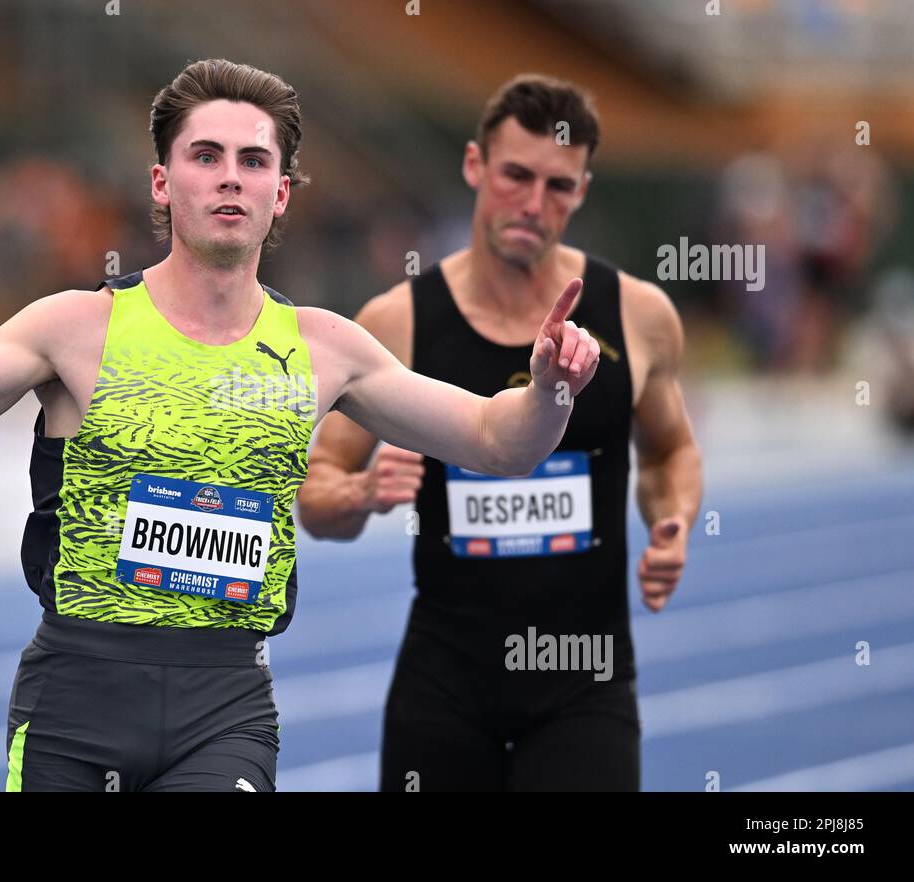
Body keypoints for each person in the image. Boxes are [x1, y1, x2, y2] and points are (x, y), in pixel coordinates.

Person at [0, 60, 601, 792]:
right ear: (163, 184)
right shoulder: (72, 329)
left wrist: (551, 391)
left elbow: (501, 443)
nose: (231, 174)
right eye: (206, 155)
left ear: (282, 192)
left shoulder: (326, 351)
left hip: (224, 708)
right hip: (73, 703)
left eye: (254, 160)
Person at [296, 74, 704, 792]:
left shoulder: (638, 315)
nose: (533, 203)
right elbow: (315, 494)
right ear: (474, 166)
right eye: (516, 175)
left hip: (585, 680)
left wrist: (672, 519)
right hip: (446, 683)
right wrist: (359, 493)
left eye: (559, 185)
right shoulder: (399, 321)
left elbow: (670, 449)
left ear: (582, 191)